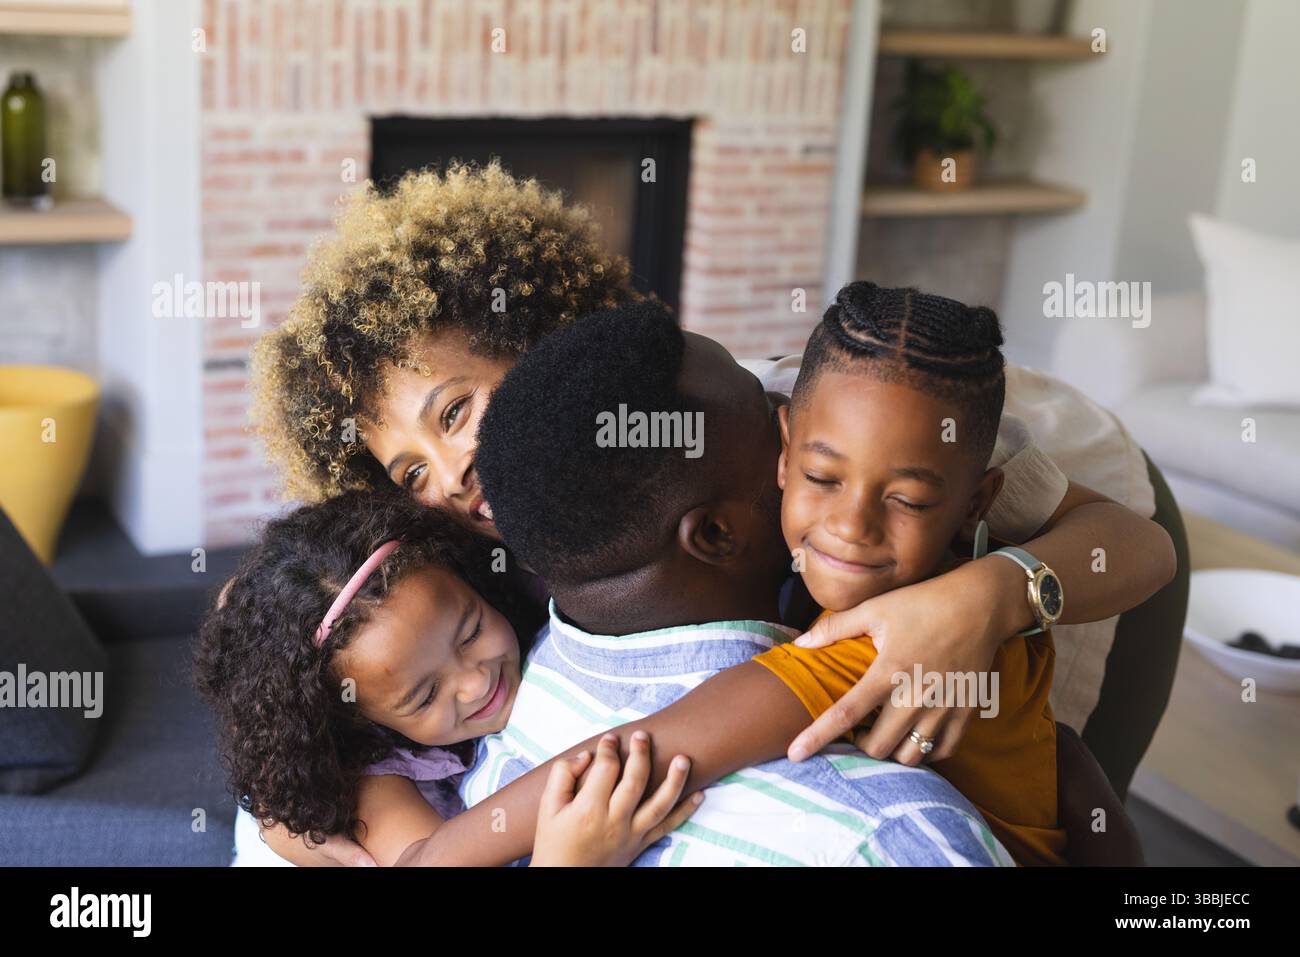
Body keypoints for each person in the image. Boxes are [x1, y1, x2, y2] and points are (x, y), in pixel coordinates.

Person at [250, 162, 1182, 861]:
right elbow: (278, 655)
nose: (453, 470)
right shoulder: (455, 547)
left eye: (457, 410)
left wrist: (990, 595)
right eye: (408, 471)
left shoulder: (786, 430)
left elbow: (1135, 545)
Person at [194, 491, 699, 866]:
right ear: (357, 720)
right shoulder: (372, 783)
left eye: (471, 631)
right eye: (425, 695)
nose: (475, 683)